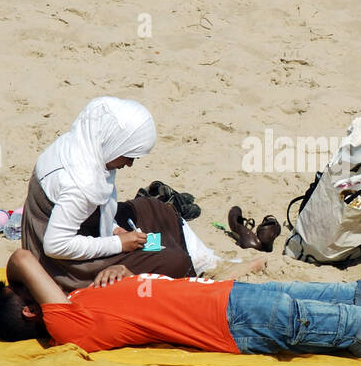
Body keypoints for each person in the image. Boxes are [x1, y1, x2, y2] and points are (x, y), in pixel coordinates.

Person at [0, 249, 361, 366]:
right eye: (28, 297)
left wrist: (123, 273)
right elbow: (21, 255)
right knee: (355, 324)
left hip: (230, 297)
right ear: (33, 312)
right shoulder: (62, 325)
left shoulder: (78, 307)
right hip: (237, 321)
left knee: (358, 296)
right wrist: (25, 289)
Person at [20, 97, 217, 290]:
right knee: (175, 262)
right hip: (64, 269)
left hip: (79, 228)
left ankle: (204, 262)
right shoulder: (81, 183)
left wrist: (112, 228)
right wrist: (118, 243)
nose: (130, 164)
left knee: (153, 208)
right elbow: (56, 246)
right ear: (114, 142)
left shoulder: (82, 143)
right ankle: (194, 273)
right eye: (129, 155)